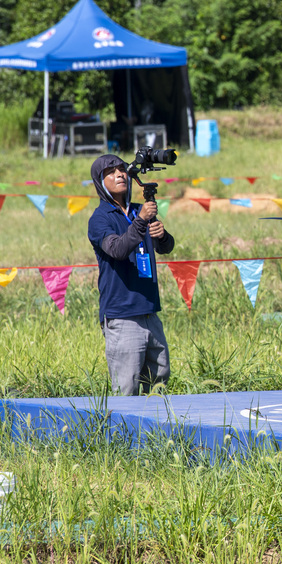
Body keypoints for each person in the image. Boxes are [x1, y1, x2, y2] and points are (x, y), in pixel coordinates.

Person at [87, 155, 175, 396]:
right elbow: (117, 249)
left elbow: (166, 248)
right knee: (126, 391)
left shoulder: (139, 210)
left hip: (149, 312)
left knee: (159, 384)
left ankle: (155, 434)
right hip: (122, 315)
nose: (120, 174)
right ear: (100, 181)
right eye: (111, 172)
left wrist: (161, 235)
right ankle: (124, 435)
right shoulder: (100, 219)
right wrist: (141, 221)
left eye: (122, 169)